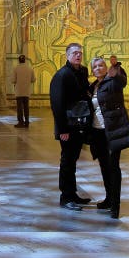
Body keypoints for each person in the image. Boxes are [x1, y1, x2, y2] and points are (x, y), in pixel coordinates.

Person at [89, 57, 129, 219]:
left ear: (106, 67)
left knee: (113, 167)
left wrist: (116, 68)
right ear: (92, 71)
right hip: (97, 132)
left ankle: (115, 205)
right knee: (104, 166)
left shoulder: (113, 82)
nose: (98, 68)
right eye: (95, 66)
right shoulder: (93, 86)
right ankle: (109, 198)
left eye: (101, 65)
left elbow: (121, 81)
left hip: (112, 131)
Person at [49, 42, 90, 211]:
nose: (78, 55)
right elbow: (57, 104)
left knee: (73, 161)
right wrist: (62, 130)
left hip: (79, 123)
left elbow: (84, 92)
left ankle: (72, 194)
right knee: (67, 161)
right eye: (74, 53)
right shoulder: (62, 75)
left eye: (80, 53)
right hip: (67, 125)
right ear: (67, 56)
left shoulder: (82, 72)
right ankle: (65, 197)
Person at [11, 54, 35, 128]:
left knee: (19, 108)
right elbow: (33, 79)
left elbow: (13, 80)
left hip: (19, 91)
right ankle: (27, 121)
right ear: (25, 60)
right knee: (26, 107)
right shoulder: (30, 69)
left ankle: (21, 122)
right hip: (27, 90)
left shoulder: (16, 68)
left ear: (19, 60)